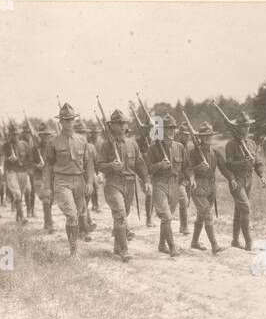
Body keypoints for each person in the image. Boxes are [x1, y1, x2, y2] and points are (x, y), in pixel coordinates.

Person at [95, 109, 151, 262]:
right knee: (120, 214)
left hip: (129, 184)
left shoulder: (132, 144)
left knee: (123, 215)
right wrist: (111, 166)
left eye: (123, 123)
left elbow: (140, 164)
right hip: (113, 183)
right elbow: (99, 165)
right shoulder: (106, 145)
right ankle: (124, 251)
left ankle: (117, 246)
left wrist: (146, 180)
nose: (121, 126)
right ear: (111, 126)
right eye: (118, 123)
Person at [44, 104, 98, 255]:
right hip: (62, 181)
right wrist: (48, 186)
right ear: (60, 122)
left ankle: (77, 241)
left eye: (71, 120)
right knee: (72, 215)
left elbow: (88, 163)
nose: (69, 123)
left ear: (75, 121)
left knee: (81, 212)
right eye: (66, 120)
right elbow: (48, 166)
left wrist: (89, 182)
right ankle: (73, 251)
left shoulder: (82, 140)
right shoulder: (53, 142)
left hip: (79, 180)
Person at [222, 111, 266, 251]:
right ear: (237, 127)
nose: (246, 129)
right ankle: (248, 242)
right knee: (245, 208)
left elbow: (258, 162)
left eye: (247, 126)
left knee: (239, 210)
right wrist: (242, 163)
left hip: (249, 180)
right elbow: (227, 164)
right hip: (236, 180)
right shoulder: (230, 144)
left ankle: (235, 240)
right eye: (243, 126)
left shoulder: (252, 144)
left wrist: (262, 176)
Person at [183, 122, 230, 254]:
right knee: (207, 215)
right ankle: (215, 246)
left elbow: (224, 168)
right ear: (200, 137)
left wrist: (231, 179)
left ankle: (194, 242)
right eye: (205, 136)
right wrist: (198, 168)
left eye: (210, 135)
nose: (208, 138)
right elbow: (187, 169)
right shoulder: (193, 153)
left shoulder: (214, 152)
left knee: (201, 215)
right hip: (197, 186)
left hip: (211, 186)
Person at [148, 114, 187, 258]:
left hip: (174, 184)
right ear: (161, 130)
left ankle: (161, 244)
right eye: (167, 128)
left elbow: (186, 167)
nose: (171, 131)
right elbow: (147, 169)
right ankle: (172, 248)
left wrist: (188, 180)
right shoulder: (154, 148)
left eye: (173, 128)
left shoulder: (180, 147)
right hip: (159, 183)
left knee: (167, 218)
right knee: (166, 216)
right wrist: (159, 165)